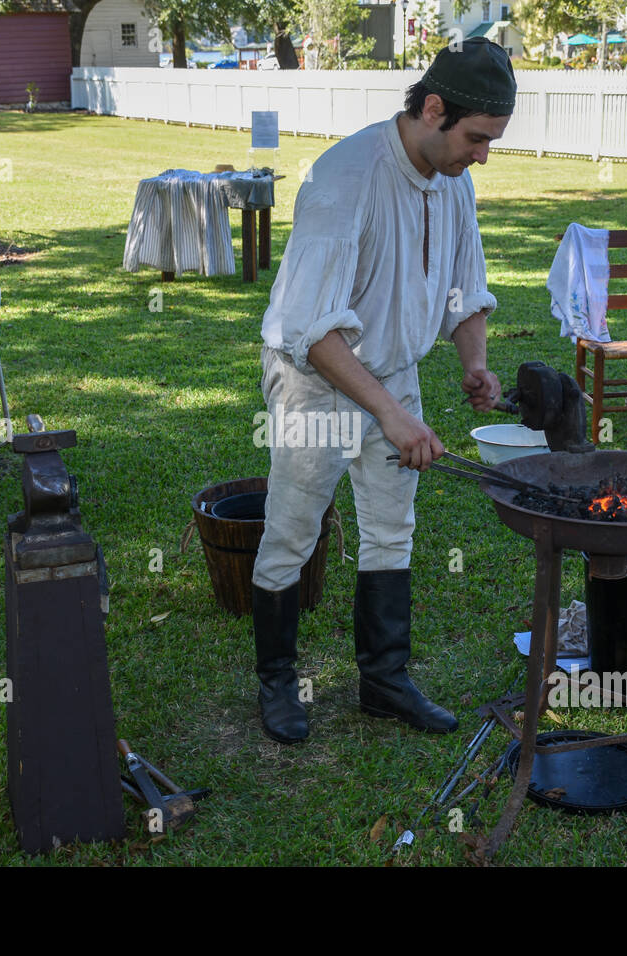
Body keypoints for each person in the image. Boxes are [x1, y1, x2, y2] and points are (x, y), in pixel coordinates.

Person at [250, 38, 514, 744]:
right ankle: (277, 682)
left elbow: (465, 288)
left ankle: (383, 680)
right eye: (477, 138)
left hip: (393, 375)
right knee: (293, 531)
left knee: (392, 528)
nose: (482, 155)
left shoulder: (454, 182)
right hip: (314, 381)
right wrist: (391, 415)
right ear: (433, 109)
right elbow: (311, 330)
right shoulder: (347, 177)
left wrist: (474, 362)